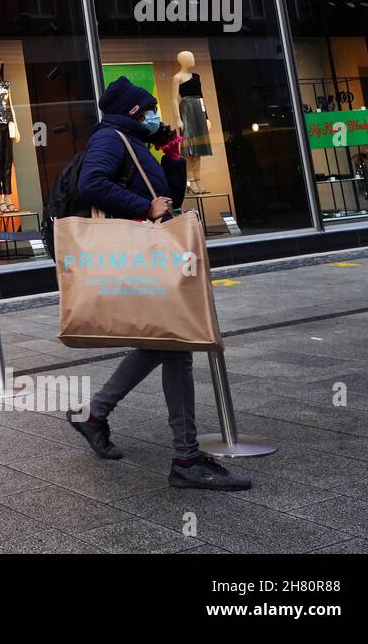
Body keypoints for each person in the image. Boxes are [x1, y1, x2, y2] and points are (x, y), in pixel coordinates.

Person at [67, 76, 252, 491]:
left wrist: (172, 157)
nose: (155, 115)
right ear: (134, 111)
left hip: (150, 252)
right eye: (149, 109)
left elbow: (171, 198)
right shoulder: (111, 139)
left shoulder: (134, 142)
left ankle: (94, 415)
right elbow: (91, 183)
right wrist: (144, 208)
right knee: (177, 344)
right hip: (139, 253)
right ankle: (185, 458)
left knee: (164, 341)